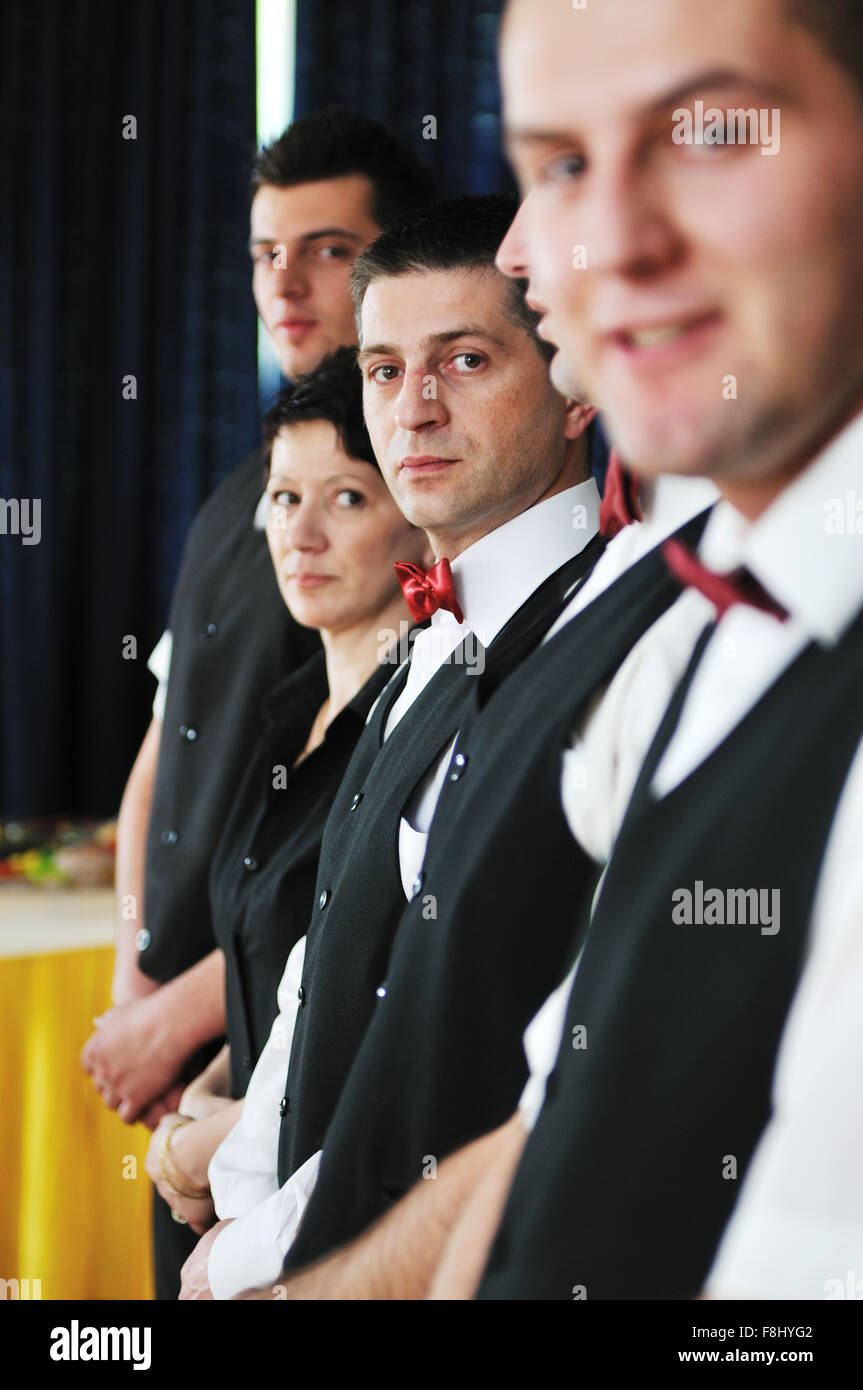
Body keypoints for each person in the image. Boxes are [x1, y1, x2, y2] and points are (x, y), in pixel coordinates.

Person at [226, 0, 863, 1302]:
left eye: (706, 131)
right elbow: (554, 1115)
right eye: (557, 163)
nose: (578, 246)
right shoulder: (719, 621)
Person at [178, 192, 604, 1299]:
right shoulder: (433, 638)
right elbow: (335, 973)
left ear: (569, 387)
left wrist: (264, 1259)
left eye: (461, 361)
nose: (410, 410)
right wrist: (243, 1194)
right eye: (380, 369)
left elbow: (507, 1069)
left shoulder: (608, 647)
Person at [80, 106, 435, 1298]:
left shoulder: (409, 496)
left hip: (270, 1036)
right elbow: (160, 749)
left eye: (326, 247)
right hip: (191, 1021)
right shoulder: (244, 491)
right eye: (261, 251)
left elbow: (347, 864)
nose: (283, 279)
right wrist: (137, 973)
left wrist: (189, 1021)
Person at [141, 346, 429, 1232]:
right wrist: (203, 1096)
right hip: (227, 1165)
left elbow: (386, 1033)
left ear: (414, 517)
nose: (300, 536)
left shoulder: (418, 723)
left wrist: (209, 1143)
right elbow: (271, 981)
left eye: (345, 498)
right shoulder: (288, 708)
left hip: (322, 1206)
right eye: (283, 498)